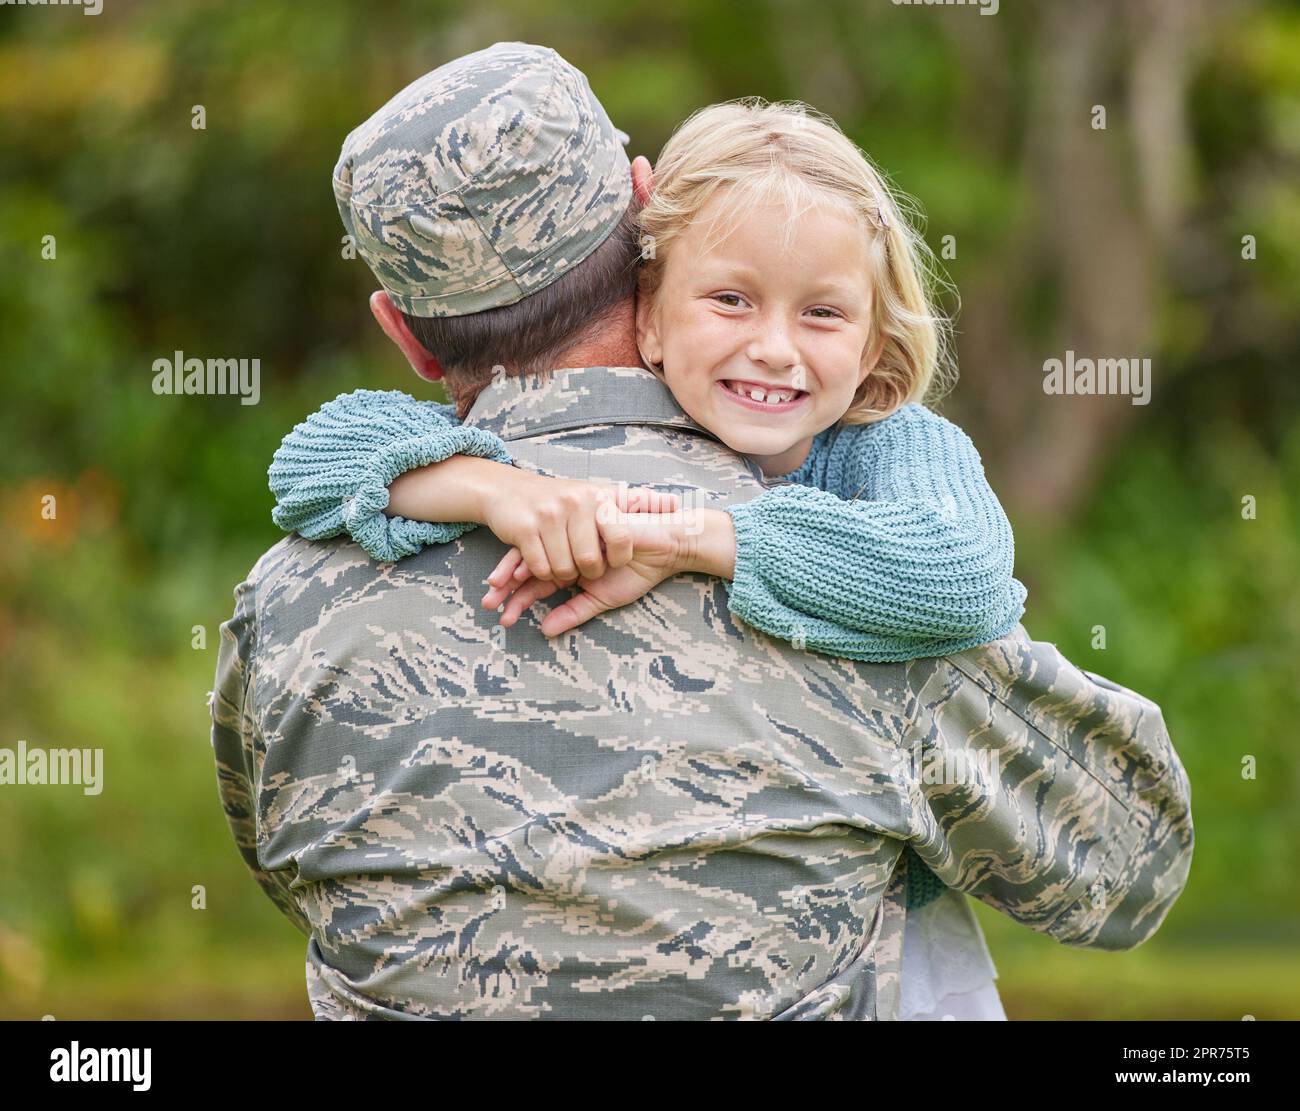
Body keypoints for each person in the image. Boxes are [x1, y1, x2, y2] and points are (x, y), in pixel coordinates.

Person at [211, 42, 1194, 1020]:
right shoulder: (858, 610)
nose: (774, 344)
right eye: (735, 299)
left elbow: (280, 863)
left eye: (817, 314)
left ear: (404, 331)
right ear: (645, 229)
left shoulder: (290, 598)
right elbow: (1127, 859)